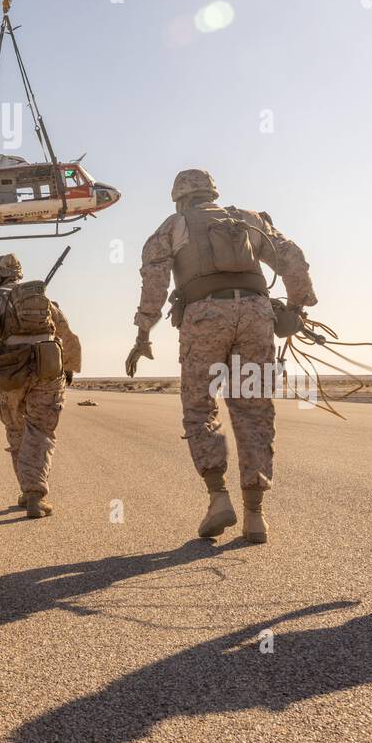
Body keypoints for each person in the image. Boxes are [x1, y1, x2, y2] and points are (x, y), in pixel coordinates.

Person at [125, 169, 317, 544]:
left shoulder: (174, 225)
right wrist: (296, 306)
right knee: (253, 409)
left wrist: (143, 333)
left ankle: (218, 498)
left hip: (204, 318)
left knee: (200, 408)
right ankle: (255, 516)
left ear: (180, 198)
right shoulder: (247, 219)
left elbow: (155, 282)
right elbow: (292, 257)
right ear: (212, 193)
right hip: (256, 317)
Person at [0, 254, 81, 518]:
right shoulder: (46, 302)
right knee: (41, 432)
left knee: (16, 430)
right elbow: (67, 334)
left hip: (11, 376)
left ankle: (28, 490)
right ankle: (34, 493)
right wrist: (69, 366)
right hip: (48, 371)